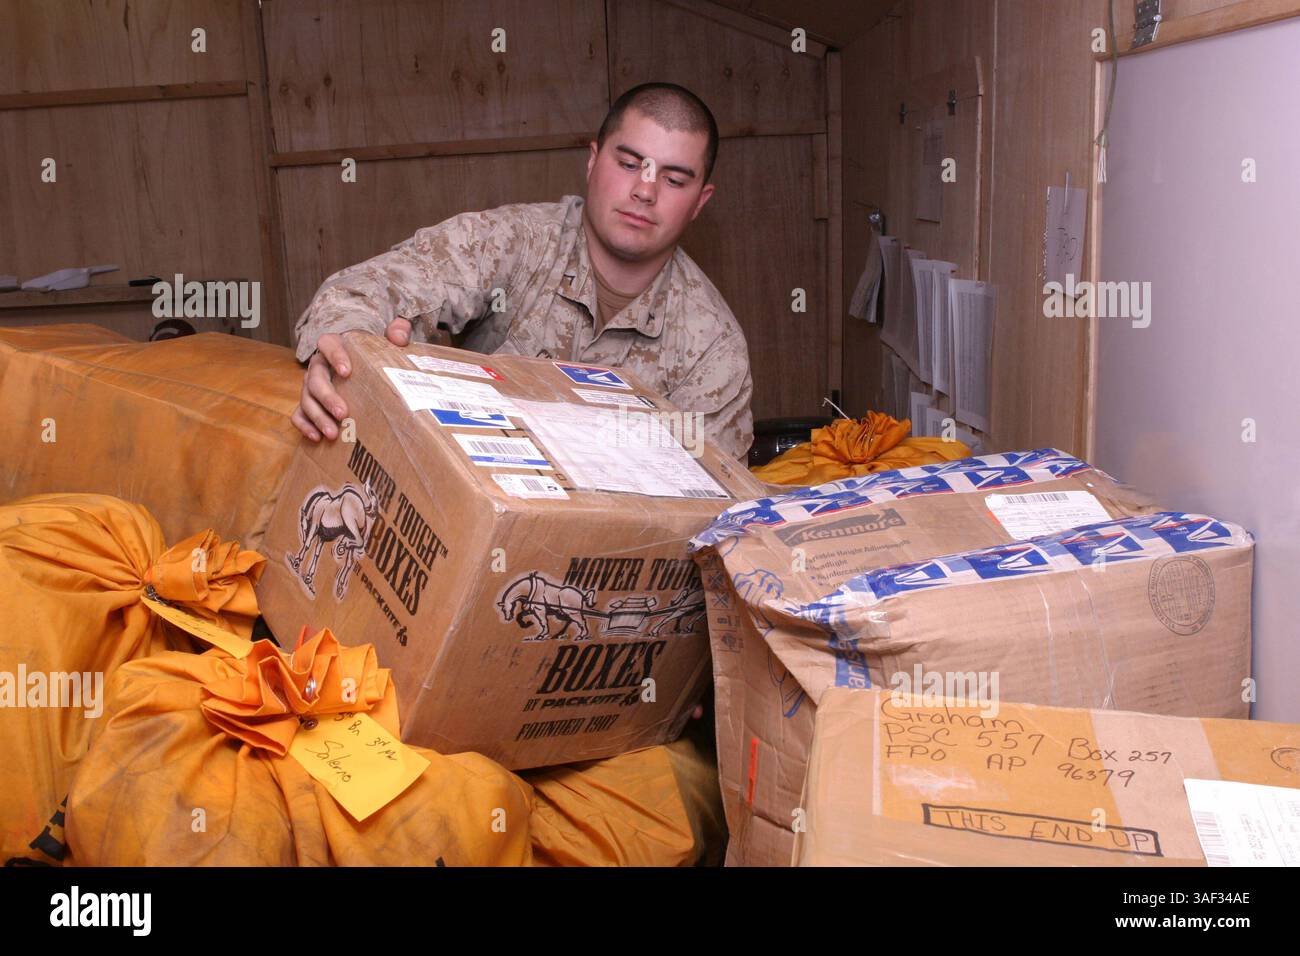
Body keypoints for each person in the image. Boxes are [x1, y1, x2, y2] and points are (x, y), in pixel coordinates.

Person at [290, 81, 754, 460]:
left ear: (700, 201)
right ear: (593, 161)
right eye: (629, 164)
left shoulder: (713, 347)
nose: (645, 191)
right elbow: (363, 289)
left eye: (673, 179)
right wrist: (345, 351)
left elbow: (713, 510)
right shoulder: (515, 242)